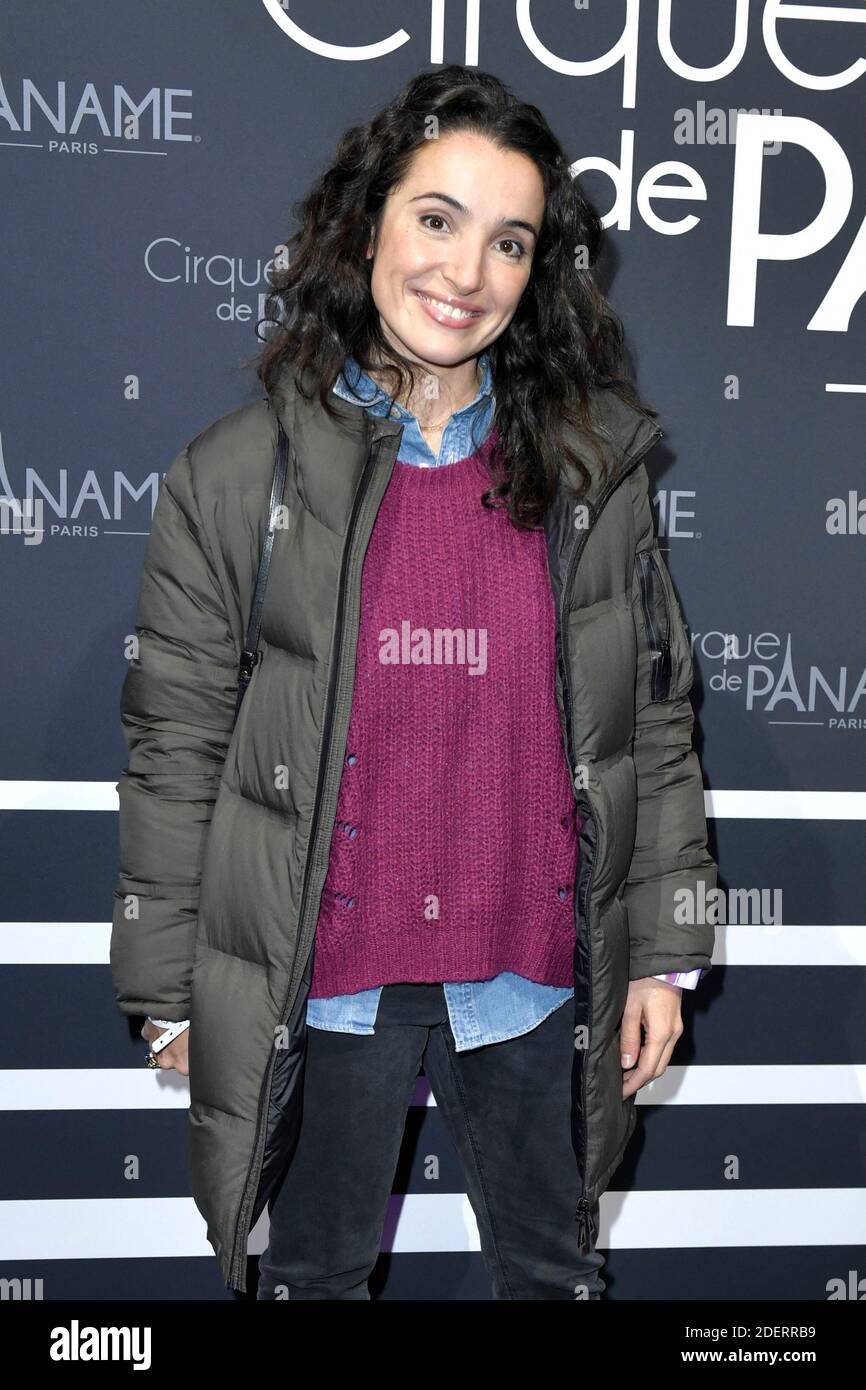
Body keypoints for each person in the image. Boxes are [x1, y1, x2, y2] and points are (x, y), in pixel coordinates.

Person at [111, 64, 716, 1300]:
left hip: (538, 965)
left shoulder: (592, 469)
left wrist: (660, 953)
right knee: (315, 1279)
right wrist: (167, 987)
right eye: (435, 219)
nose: (464, 272)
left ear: (536, 271)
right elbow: (177, 747)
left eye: (508, 240)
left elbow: (647, 723)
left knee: (553, 1274)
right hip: (324, 977)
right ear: (366, 223)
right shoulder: (233, 477)